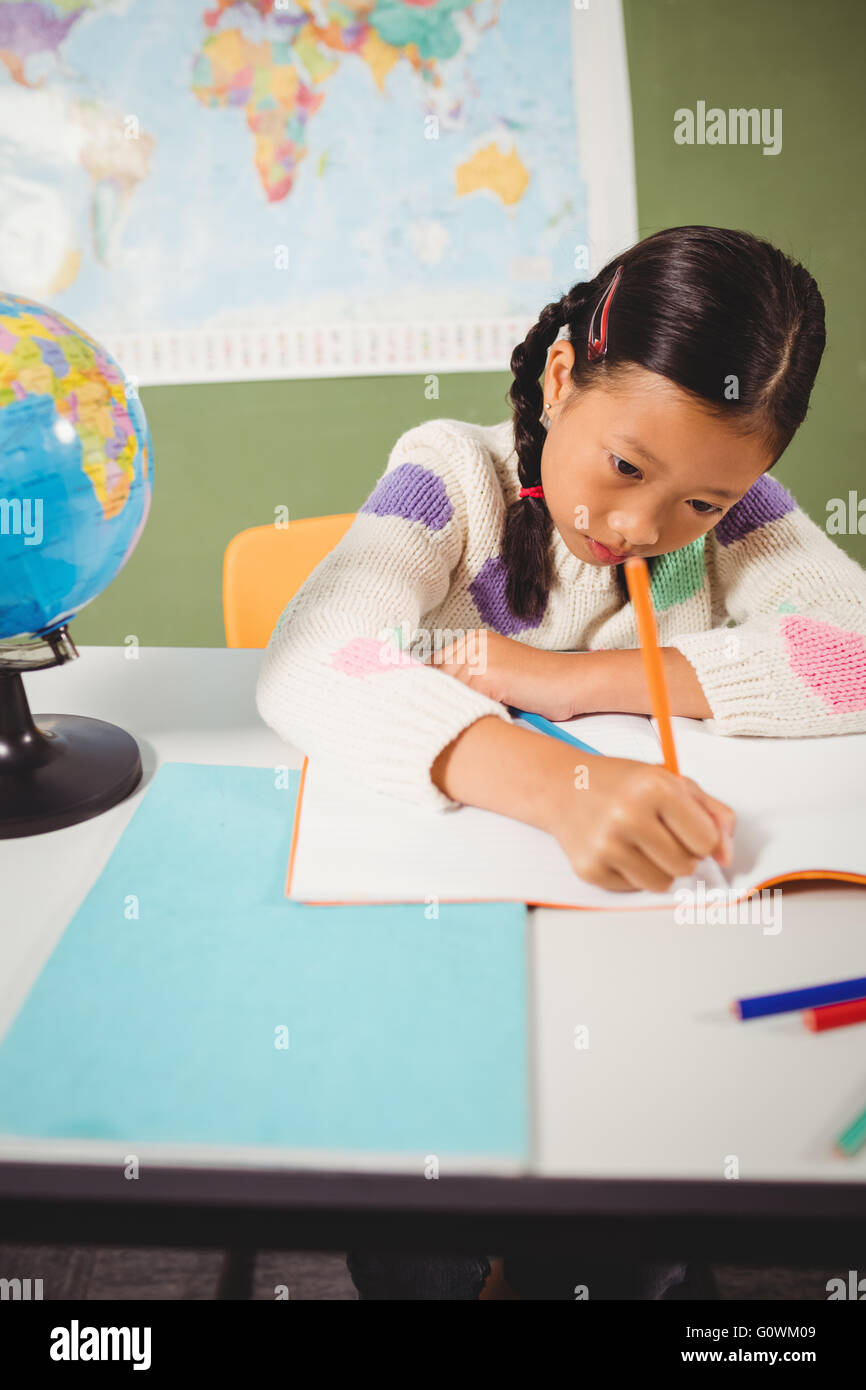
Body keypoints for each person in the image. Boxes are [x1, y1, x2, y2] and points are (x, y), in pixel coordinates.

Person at [256, 225, 866, 1299]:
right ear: (558, 376)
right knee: (426, 1233)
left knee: (628, 1221)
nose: (638, 526)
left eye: (700, 503)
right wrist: (556, 782)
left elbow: (851, 656)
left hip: (647, 967)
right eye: (622, 467)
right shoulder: (448, 479)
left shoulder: (733, 512)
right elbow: (310, 658)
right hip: (440, 954)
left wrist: (568, 683)